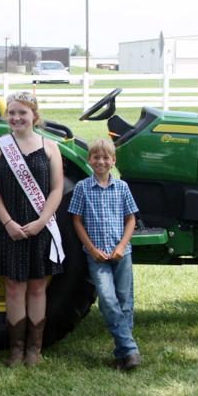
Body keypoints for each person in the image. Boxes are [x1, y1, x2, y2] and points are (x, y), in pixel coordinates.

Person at [0, 91, 64, 367]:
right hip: (10, 226)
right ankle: (16, 349)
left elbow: (56, 190)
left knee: (39, 286)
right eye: (12, 113)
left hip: (39, 226)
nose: (16, 118)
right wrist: (8, 222)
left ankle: (34, 349)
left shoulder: (50, 147)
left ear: (34, 116)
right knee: (13, 286)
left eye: (22, 113)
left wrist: (41, 222)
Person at [68, 138, 141, 371]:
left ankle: (124, 354)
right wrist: (91, 249)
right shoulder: (82, 188)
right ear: (89, 160)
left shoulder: (122, 187)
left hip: (121, 254)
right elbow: (77, 220)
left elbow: (131, 219)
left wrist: (121, 246)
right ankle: (130, 350)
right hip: (97, 256)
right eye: (96, 157)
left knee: (125, 301)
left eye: (105, 158)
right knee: (108, 300)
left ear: (113, 161)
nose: (101, 161)